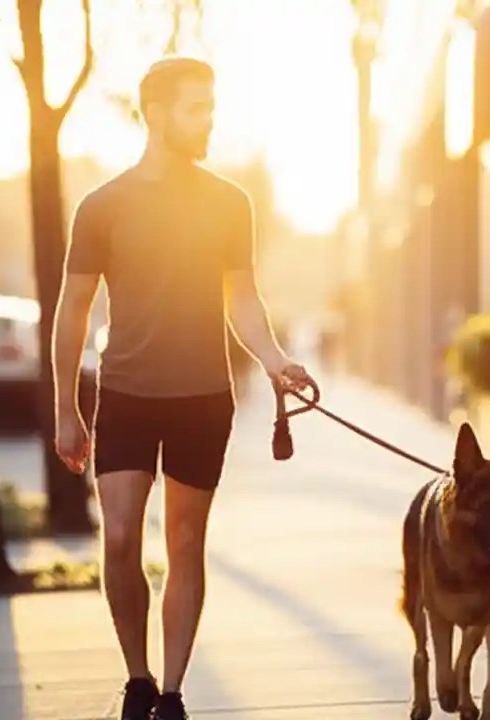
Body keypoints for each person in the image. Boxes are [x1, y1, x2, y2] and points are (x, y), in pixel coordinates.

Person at [51, 56, 314, 720]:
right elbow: (72, 309)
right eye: (196, 108)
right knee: (117, 538)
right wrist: (66, 410)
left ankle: (169, 693)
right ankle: (136, 679)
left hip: (202, 396)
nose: (208, 121)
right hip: (128, 395)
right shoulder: (103, 206)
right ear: (157, 112)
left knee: (185, 543)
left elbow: (243, 300)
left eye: (210, 108)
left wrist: (277, 360)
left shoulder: (229, 203)